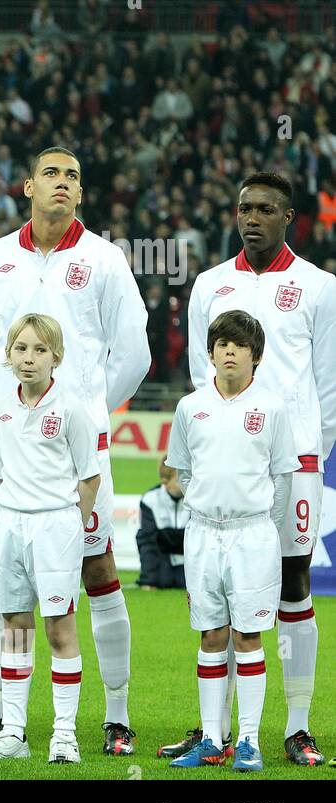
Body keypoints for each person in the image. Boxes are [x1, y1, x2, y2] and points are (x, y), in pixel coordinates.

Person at [0, 146, 150, 755]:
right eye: (52, 173)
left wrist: (86, 411)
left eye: (73, 175)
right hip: (5, 448)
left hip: (76, 452)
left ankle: (116, 715)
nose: (63, 183)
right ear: (27, 187)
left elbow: (134, 353)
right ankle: (6, 719)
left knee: (98, 572)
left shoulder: (104, 257)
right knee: (3, 581)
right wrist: (16, 409)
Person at [175, 171, 335, 767]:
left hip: (293, 463)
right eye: (245, 208)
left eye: (266, 209)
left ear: (288, 217)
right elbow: (200, 374)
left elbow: (330, 381)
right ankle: (217, 732)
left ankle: (295, 726)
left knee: (293, 587)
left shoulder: (319, 286)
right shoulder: (210, 285)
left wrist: (306, 448)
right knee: (218, 592)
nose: (253, 218)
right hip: (228, 461)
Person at [166, 311, 297, 772]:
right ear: (210, 352)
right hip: (202, 532)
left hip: (252, 534)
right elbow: (181, 470)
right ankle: (209, 739)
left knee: (247, 635)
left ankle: (248, 742)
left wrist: (260, 523)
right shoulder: (190, 407)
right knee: (210, 634)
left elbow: (283, 476)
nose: (229, 351)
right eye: (221, 344)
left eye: (239, 346)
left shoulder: (272, 407)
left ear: (255, 356)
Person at [0, 314, 100, 763]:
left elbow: (89, 477)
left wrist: (69, 525)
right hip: (10, 522)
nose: (29, 358)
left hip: (56, 526)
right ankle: (14, 733)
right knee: (14, 628)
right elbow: (0, 466)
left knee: (59, 628)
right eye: (21, 349)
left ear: (56, 358)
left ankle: (64, 736)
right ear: (8, 356)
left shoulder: (72, 408)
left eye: (39, 350)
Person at [136, 458, 188, 591]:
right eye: (180, 479)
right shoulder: (150, 500)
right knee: (162, 580)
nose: (187, 483)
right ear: (165, 481)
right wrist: (148, 580)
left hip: (188, 561)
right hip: (163, 561)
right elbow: (147, 542)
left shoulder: (196, 499)